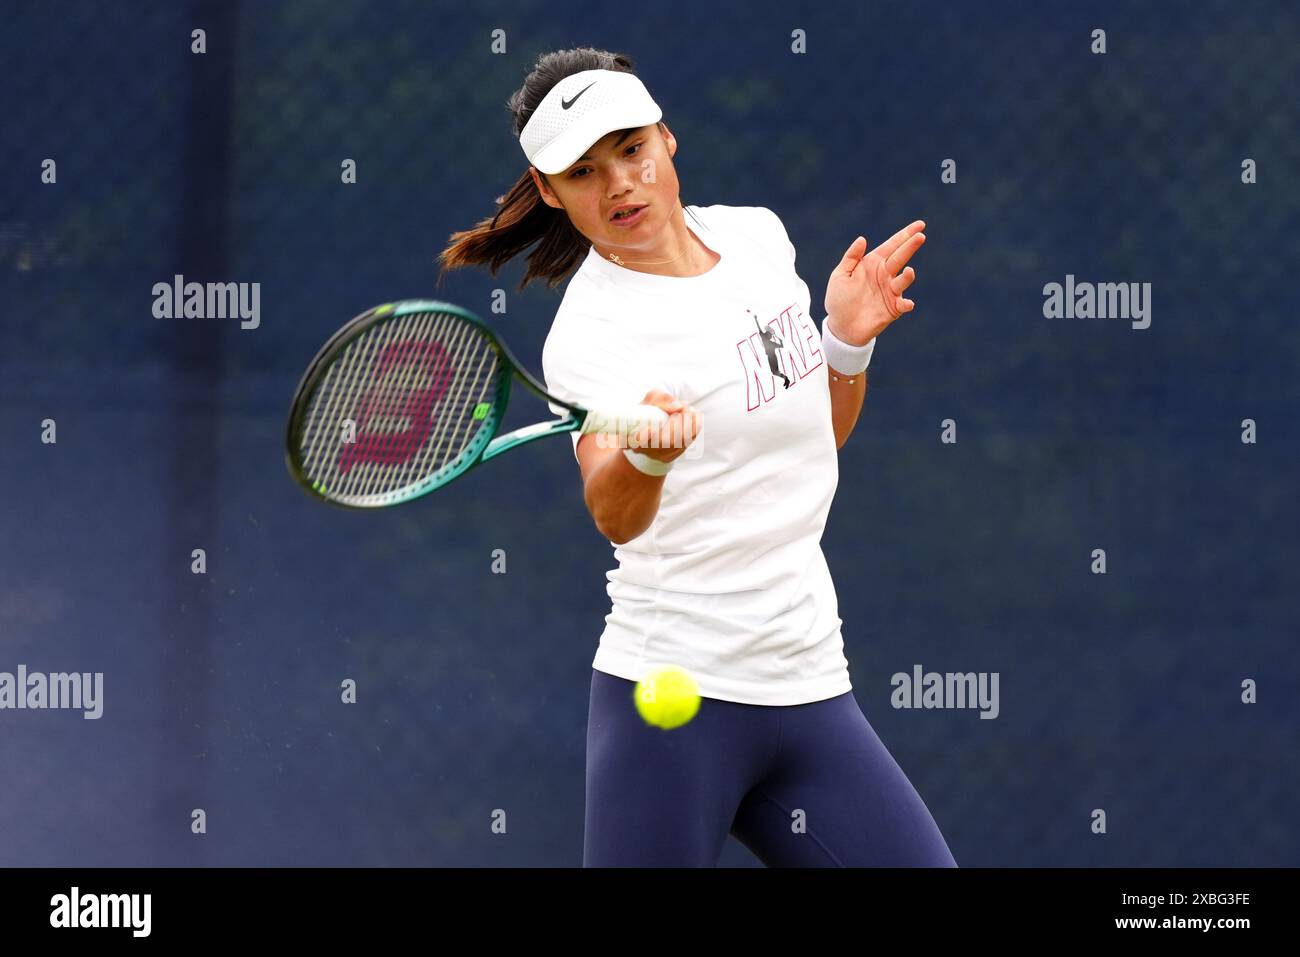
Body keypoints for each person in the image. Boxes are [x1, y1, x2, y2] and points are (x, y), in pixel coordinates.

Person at [439, 47, 953, 868]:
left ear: (666, 140)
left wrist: (845, 344)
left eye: (631, 149)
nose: (618, 186)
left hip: (812, 681)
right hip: (672, 706)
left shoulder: (757, 238)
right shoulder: (591, 335)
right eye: (582, 171)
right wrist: (648, 459)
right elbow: (613, 512)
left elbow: (814, 435)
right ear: (548, 190)